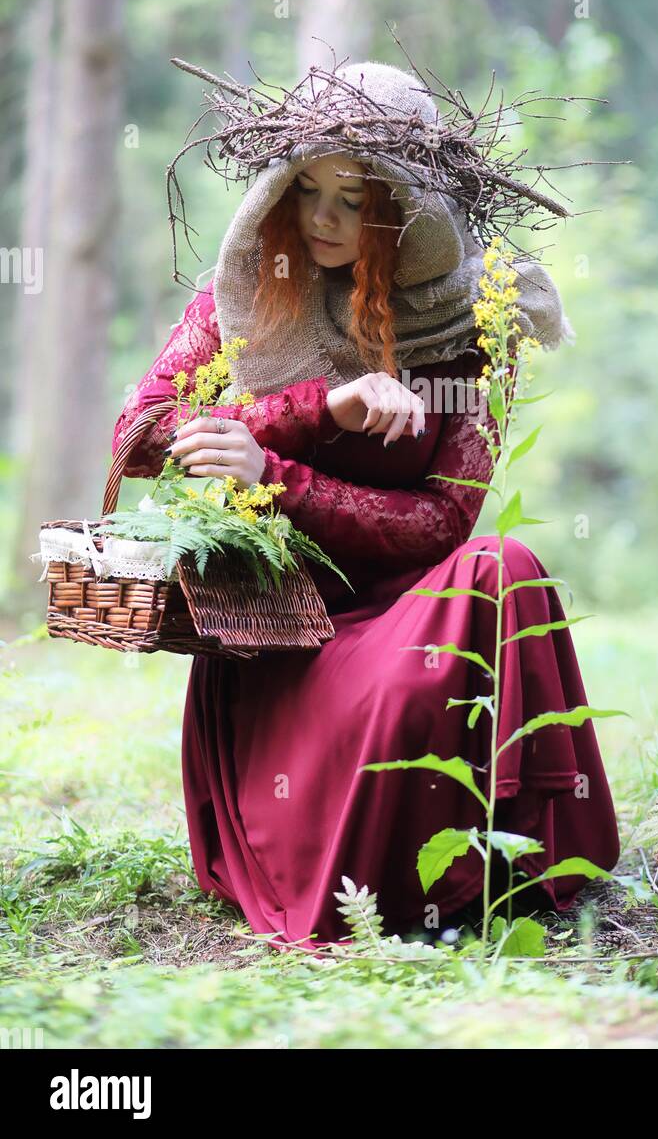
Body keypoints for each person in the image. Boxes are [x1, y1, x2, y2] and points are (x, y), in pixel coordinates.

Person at [113, 60, 620, 951]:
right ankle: (386, 879)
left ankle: (511, 866)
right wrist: (300, 416)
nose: (322, 219)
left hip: (414, 619)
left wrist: (281, 479)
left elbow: (443, 523)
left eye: (355, 199)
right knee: (473, 592)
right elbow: (139, 437)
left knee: (506, 564)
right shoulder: (239, 295)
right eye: (305, 190)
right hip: (283, 633)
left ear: (406, 207)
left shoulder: (475, 321)